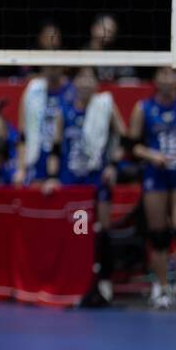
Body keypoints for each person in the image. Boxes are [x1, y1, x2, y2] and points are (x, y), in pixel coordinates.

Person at [45, 67, 127, 306]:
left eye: (90, 77)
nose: (85, 82)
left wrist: (112, 164)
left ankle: (103, 280)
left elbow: (125, 138)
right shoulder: (65, 111)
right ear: (74, 83)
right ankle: (74, 281)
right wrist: (52, 176)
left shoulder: (105, 108)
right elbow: (56, 149)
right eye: (81, 77)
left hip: (97, 179)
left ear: (96, 84)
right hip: (71, 181)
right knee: (74, 233)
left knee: (101, 229)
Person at [129, 67, 176, 311]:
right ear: (155, 79)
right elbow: (132, 145)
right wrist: (152, 155)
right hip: (156, 172)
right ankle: (161, 287)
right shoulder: (143, 108)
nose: (167, 79)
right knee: (159, 235)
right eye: (162, 74)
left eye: (172, 74)